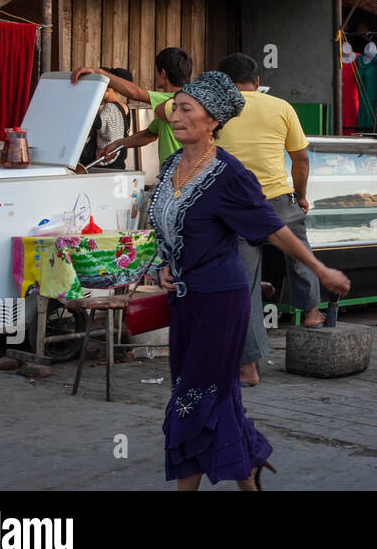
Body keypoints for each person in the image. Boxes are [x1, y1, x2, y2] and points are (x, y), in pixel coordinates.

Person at [150, 71, 350, 490]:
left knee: (194, 397)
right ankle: (249, 468)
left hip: (221, 300)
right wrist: (166, 262)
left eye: (187, 109)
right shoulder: (170, 164)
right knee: (213, 395)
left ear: (212, 121)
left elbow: (275, 228)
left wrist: (320, 270)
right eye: (175, 106)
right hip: (184, 301)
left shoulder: (228, 174)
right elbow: (169, 226)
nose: (175, 114)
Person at [214, 53, 320, 387]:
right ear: (257, 82)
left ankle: (249, 368)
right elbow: (300, 159)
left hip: (236, 207)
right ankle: (313, 315)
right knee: (300, 255)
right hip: (278, 201)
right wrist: (300, 196)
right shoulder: (280, 107)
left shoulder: (215, 110)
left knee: (244, 287)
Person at [73, 47, 193, 164]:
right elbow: (149, 135)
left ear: (162, 72)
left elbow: (136, 93)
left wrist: (100, 73)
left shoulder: (172, 101)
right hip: (172, 176)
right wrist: (117, 144)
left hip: (182, 176)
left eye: (155, 71)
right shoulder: (174, 105)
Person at [80, 67, 132, 170]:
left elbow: (98, 124)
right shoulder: (122, 107)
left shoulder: (111, 107)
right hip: (116, 164)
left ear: (108, 87)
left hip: (106, 165)